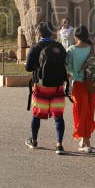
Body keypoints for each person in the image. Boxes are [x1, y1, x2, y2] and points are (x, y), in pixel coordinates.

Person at [24, 23, 68, 154]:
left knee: (37, 114)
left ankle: (34, 141)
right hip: (57, 86)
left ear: (39, 33)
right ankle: (59, 144)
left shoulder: (35, 47)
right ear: (52, 32)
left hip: (41, 85)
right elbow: (65, 62)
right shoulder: (59, 46)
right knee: (58, 116)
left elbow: (28, 68)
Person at [65, 25, 95, 153]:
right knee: (89, 112)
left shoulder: (71, 50)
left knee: (80, 112)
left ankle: (84, 141)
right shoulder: (94, 48)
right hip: (93, 85)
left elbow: (68, 70)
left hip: (79, 84)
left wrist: (67, 82)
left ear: (75, 36)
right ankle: (86, 139)